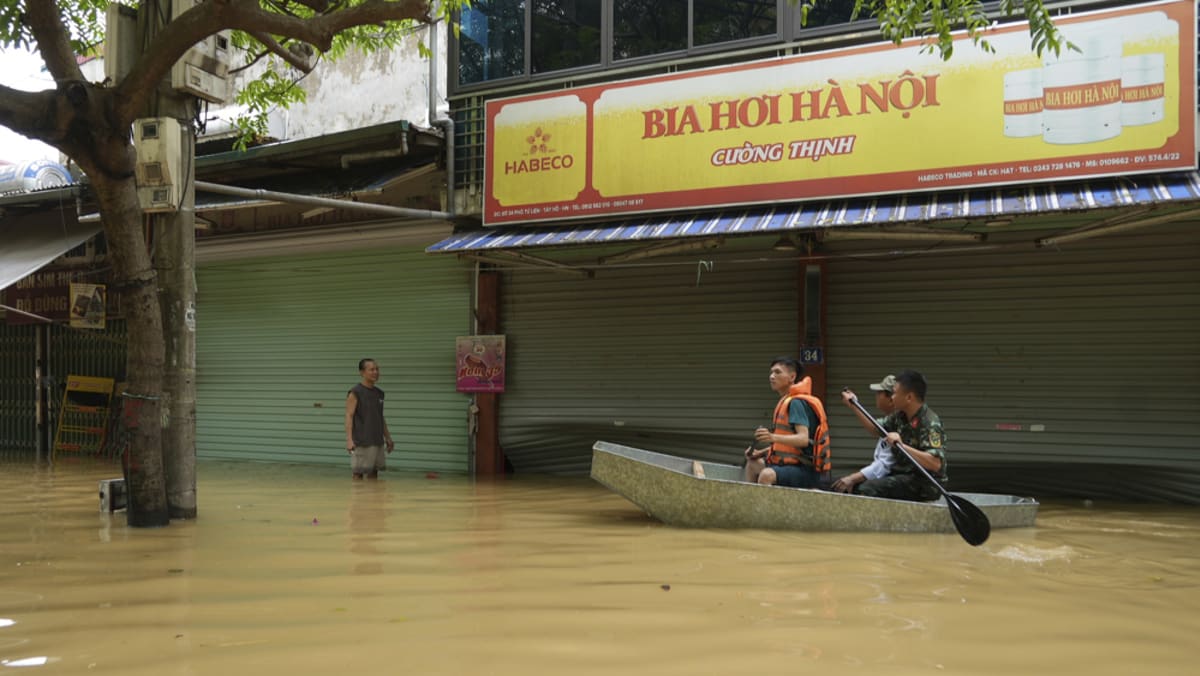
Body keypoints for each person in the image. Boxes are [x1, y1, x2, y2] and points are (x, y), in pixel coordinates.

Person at [834, 370, 946, 501]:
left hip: (925, 482)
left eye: (895, 393)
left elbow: (935, 463)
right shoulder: (900, 416)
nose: (892, 397)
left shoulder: (930, 422)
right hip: (903, 476)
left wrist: (902, 446)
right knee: (854, 486)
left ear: (909, 397)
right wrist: (854, 405)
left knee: (868, 489)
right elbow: (875, 429)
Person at [743, 357, 831, 489]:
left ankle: (765, 509)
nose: (772, 376)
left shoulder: (796, 403)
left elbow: (803, 439)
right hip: (787, 465)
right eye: (771, 372)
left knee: (767, 475)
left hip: (805, 470)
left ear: (792, 376)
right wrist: (761, 452)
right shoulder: (786, 400)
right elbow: (789, 448)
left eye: (777, 372)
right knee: (752, 464)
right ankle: (749, 506)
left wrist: (772, 437)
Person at [831, 374, 897, 493]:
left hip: (890, 479)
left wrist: (853, 478)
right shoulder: (891, 420)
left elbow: (885, 465)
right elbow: (874, 428)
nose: (876, 396)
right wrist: (854, 404)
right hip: (882, 475)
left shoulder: (898, 424)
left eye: (879, 393)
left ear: (891, 399)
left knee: (843, 487)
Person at [344, 358, 394, 480]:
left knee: (373, 474)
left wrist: (388, 437)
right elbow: (349, 416)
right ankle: (357, 499)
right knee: (358, 474)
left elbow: (380, 416)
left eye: (377, 369)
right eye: (371, 369)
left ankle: (372, 499)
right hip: (362, 441)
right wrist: (349, 440)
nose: (375, 372)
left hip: (377, 440)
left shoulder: (380, 393)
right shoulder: (355, 392)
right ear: (362, 372)